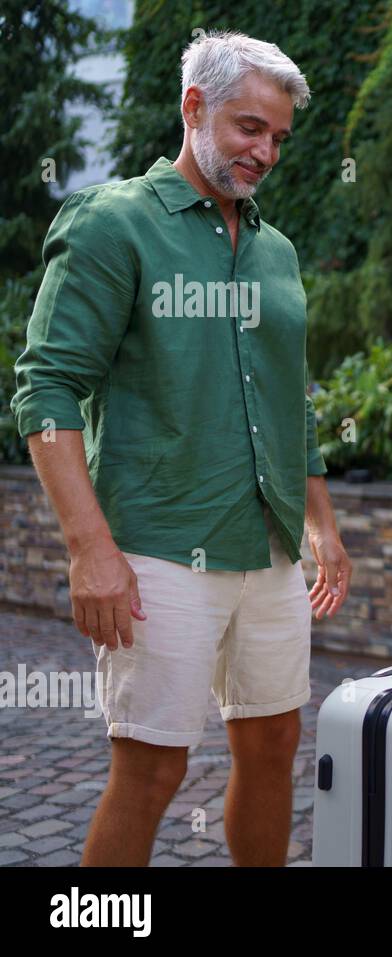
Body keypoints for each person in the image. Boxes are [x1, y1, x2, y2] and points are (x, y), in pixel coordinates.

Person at [10, 31, 351, 866]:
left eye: (278, 136)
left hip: (267, 545)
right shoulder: (113, 222)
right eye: (248, 128)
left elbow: (289, 399)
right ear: (193, 107)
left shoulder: (276, 251)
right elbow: (45, 390)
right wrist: (90, 548)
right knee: (153, 767)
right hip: (158, 543)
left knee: (274, 747)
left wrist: (323, 522)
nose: (265, 151)